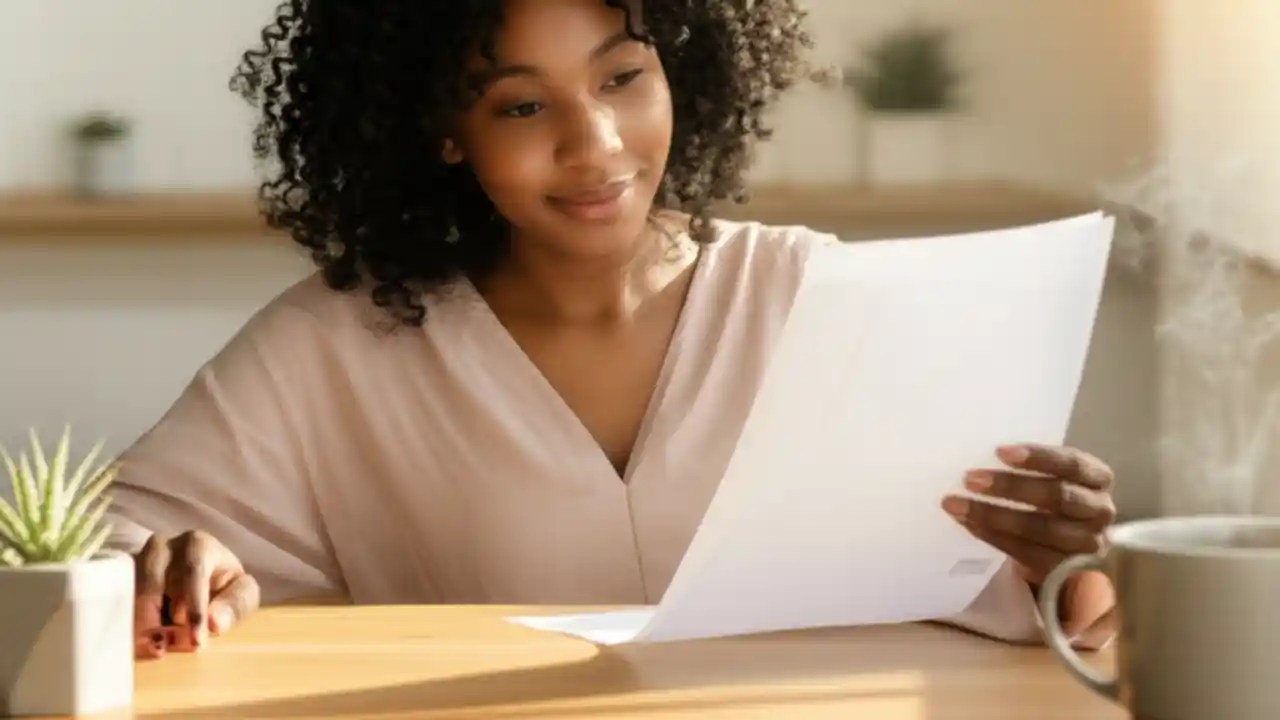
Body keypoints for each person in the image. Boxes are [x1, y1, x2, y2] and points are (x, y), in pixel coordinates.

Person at [108, 0, 1118, 660]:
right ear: (442, 135)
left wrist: (1065, 557)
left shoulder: (818, 298)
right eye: (518, 106)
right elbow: (100, 555)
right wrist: (166, 569)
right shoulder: (330, 345)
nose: (592, 146)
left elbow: (1052, 608)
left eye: (621, 77)